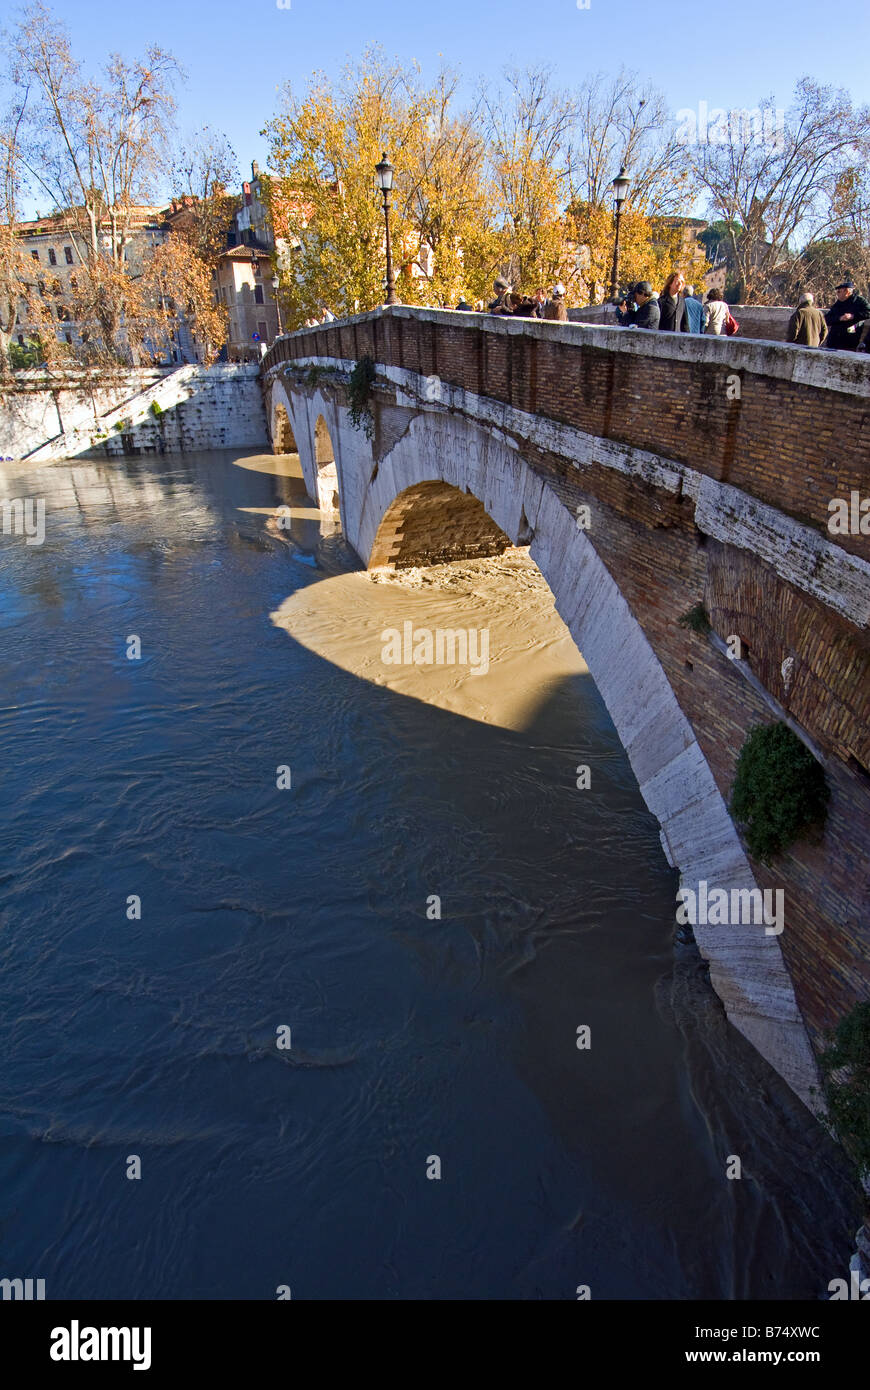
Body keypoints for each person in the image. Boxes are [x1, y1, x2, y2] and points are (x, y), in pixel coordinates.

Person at [825, 280, 870, 351]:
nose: (837, 294)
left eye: (839, 291)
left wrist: (853, 316)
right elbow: (827, 319)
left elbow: (868, 312)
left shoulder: (859, 301)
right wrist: (839, 318)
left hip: (849, 341)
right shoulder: (838, 304)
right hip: (834, 341)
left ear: (847, 292)